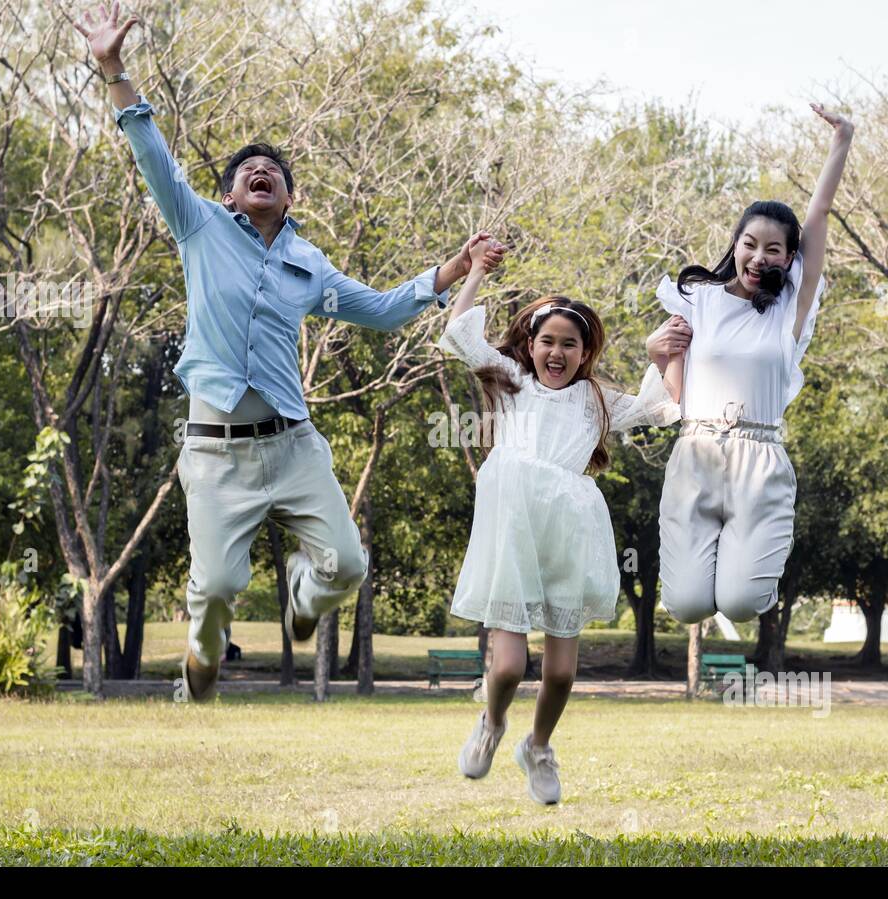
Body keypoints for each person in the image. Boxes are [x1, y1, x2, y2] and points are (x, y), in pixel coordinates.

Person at [73, 4, 504, 701]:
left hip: (293, 446)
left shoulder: (308, 267)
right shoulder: (199, 228)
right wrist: (113, 69)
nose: (261, 171)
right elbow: (150, 150)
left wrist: (453, 270)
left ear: (288, 196)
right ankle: (201, 660)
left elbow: (383, 309)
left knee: (348, 567)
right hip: (215, 453)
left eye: (273, 169)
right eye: (249, 170)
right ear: (230, 194)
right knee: (217, 585)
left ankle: (303, 599)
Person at [439, 245, 681, 804]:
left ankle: (538, 747)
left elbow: (662, 406)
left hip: (570, 534)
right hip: (514, 532)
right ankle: (492, 723)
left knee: (562, 672)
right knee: (506, 667)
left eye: (569, 343)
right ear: (529, 344)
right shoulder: (510, 381)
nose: (556, 350)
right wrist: (474, 271)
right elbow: (459, 335)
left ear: (584, 352)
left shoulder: (595, 399)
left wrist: (663, 351)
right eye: (547, 340)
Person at [653, 103, 854, 624]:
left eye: (773, 249)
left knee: (742, 604)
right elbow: (676, 396)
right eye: (749, 244)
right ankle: (710, 572)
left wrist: (841, 141)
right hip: (694, 452)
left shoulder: (791, 309)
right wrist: (659, 356)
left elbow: (819, 215)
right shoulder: (697, 298)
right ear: (735, 245)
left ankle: (752, 568)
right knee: (687, 605)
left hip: (759, 459)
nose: (759, 256)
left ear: (789, 259)